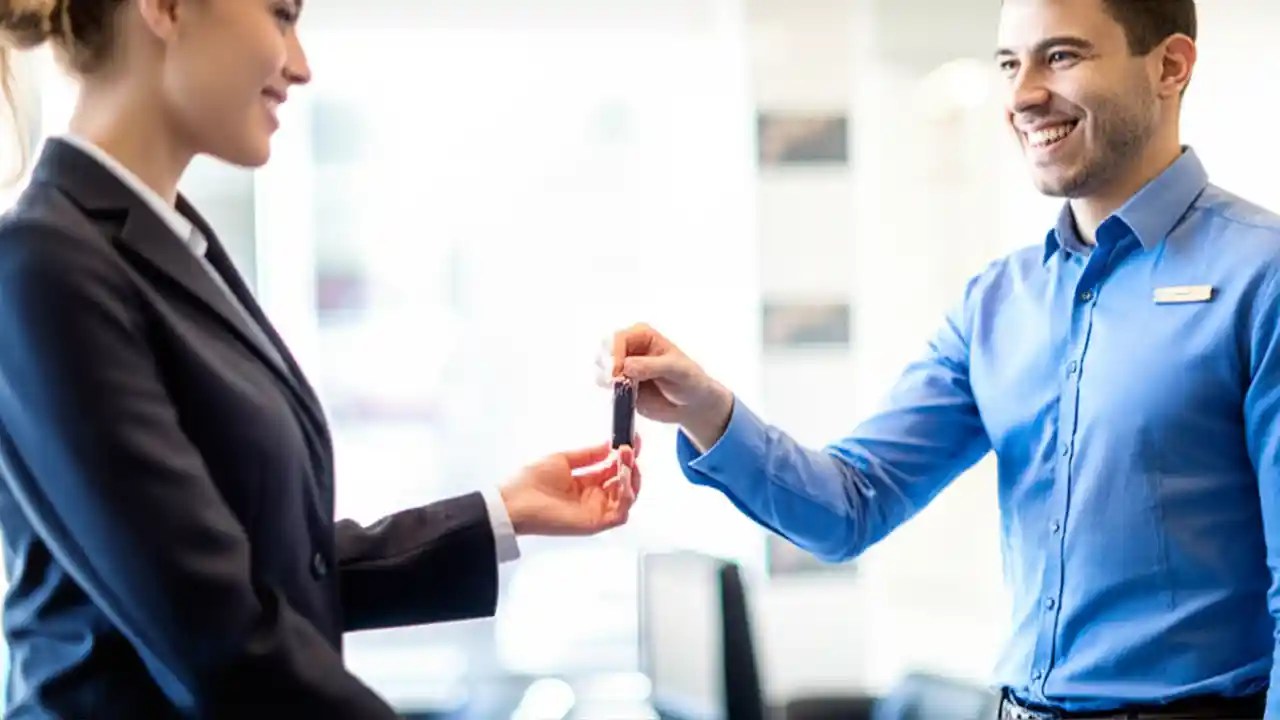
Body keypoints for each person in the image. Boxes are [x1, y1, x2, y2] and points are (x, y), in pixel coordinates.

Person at [608, 0, 1280, 717]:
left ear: (1170, 67)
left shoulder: (1260, 275)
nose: (1023, 95)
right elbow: (850, 505)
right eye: (1008, 64)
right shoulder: (997, 304)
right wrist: (709, 411)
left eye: (1061, 56)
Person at [0, 0, 640, 717]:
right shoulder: (42, 264)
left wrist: (500, 514)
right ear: (167, 8)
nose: (299, 66)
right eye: (281, 15)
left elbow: (263, 575)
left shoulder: (172, 246)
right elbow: (221, 638)